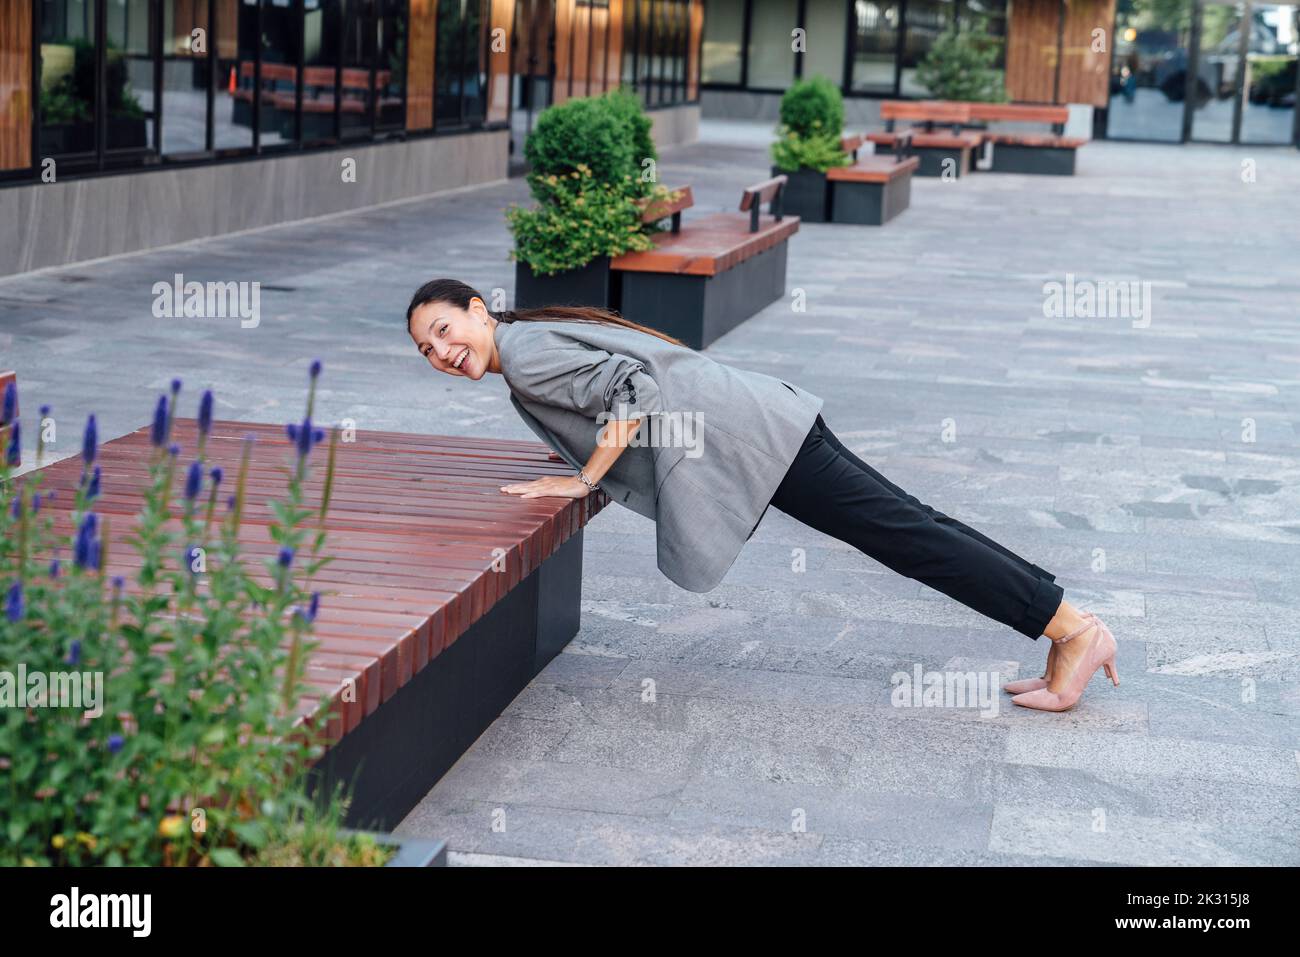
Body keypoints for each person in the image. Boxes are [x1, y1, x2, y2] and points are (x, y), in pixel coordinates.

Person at [405, 278, 1119, 712]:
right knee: (913, 528)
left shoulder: (523, 353)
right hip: (766, 422)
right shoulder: (524, 342)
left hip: (760, 440)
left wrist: (584, 476)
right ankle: (1069, 624)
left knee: (909, 537)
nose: (442, 352)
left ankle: (1074, 630)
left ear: (475, 309)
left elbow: (634, 389)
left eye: (444, 330)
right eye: (427, 352)